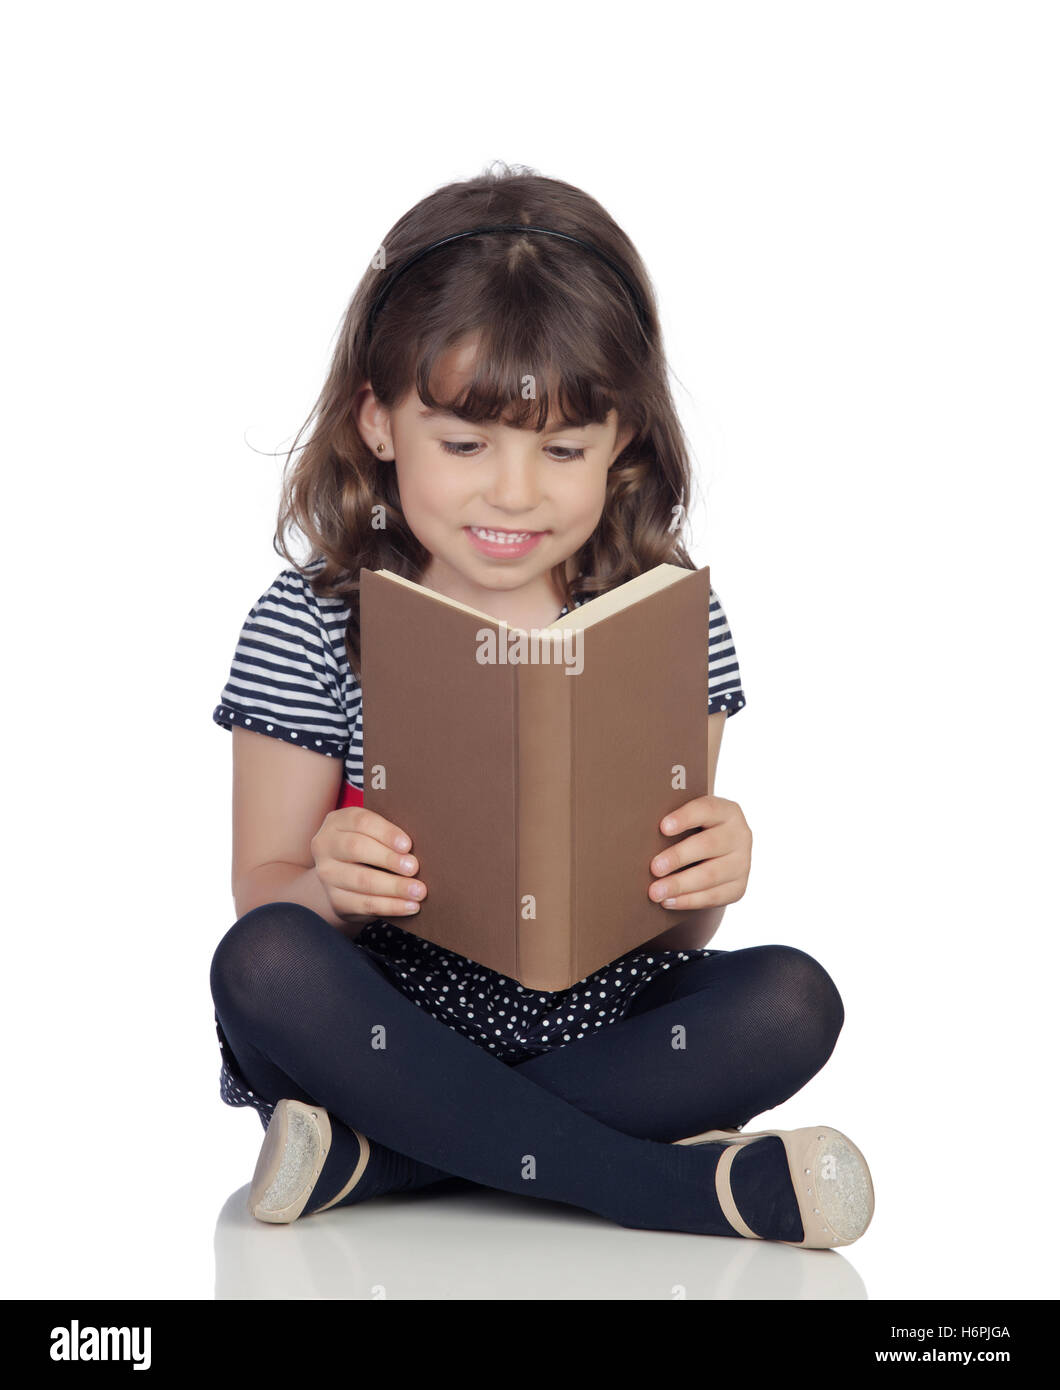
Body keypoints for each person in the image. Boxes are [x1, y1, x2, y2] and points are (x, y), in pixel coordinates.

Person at [208, 162, 874, 1248]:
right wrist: (329, 882)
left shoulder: (667, 620)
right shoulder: (311, 621)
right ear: (377, 422)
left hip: (603, 1018)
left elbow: (680, 921)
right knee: (263, 967)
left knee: (794, 998)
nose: (512, 492)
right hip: (386, 1024)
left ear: (621, 448)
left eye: (561, 449)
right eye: (463, 443)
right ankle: (665, 1188)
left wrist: (710, 872)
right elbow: (263, 896)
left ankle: (379, 1162)